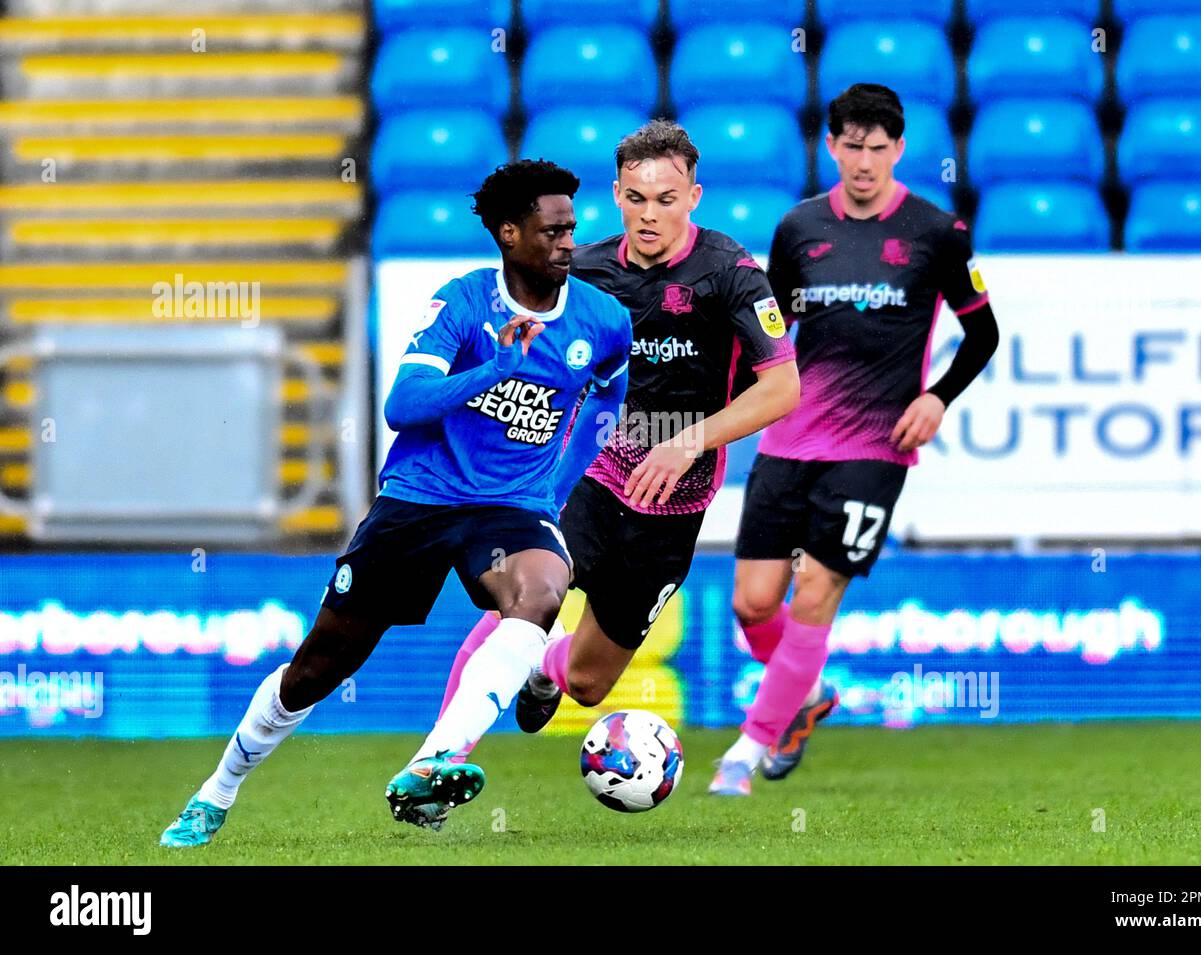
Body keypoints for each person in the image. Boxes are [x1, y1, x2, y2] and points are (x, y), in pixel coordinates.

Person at [159, 160, 633, 845]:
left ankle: (434, 760)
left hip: (510, 505)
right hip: (420, 498)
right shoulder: (464, 304)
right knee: (318, 667)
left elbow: (610, 394)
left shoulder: (603, 318)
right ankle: (216, 790)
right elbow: (401, 405)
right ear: (508, 234)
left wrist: (557, 488)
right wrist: (494, 370)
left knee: (540, 588)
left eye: (572, 229)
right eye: (552, 230)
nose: (568, 242)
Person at [425, 120, 799, 775]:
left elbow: (783, 387)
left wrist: (690, 440)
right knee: (529, 597)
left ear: (694, 196)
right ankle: (437, 760)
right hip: (595, 470)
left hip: (675, 502)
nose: (648, 214)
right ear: (616, 194)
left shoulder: (733, 275)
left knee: (591, 682)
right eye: (635, 197)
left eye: (665, 198)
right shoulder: (584, 276)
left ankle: (543, 669)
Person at [710, 84, 1001, 795]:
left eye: (879, 148)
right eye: (852, 146)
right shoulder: (797, 228)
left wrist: (938, 395)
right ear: (831, 146)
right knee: (752, 602)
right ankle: (802, 692)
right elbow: (765, 333)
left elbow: (984, 332)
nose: (865, 161)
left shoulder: (938, 234)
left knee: (815, 596)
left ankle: (746, 752)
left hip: (875, 445)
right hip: (788, 440)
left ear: (899, 150)